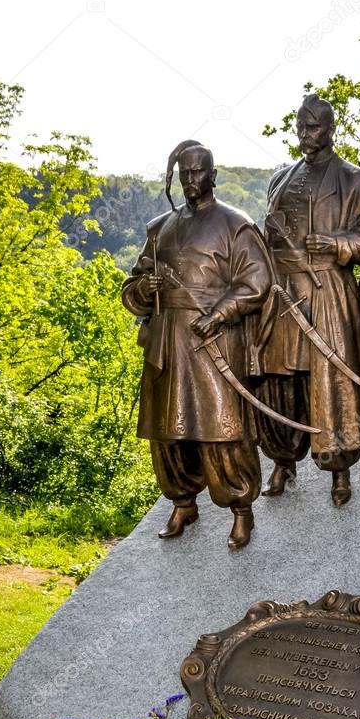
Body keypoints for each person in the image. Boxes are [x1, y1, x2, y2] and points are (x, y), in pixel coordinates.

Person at [121, 140, 272, 549]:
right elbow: (131, 287)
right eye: (184, 173)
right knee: (167, 434)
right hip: (167, 344)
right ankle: (183, 501)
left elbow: (257, 283)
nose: (192, 180)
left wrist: (219, 314)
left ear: (213, 175)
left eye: (198, 172)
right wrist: (143, 288)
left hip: (214, 343)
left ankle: (241, 508)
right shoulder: (160, 228)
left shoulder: (235, 224)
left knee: (220, 430)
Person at [252, 93, 360, 507]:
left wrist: (335, 243)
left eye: (312, 127)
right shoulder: (281, 178)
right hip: (283, 291)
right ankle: (283, 456)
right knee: (281, 380)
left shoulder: (353, 178)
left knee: (332, 382)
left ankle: (339, 468)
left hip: (328, 289)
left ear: (331, 129)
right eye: (299, 126)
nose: (304, 134)